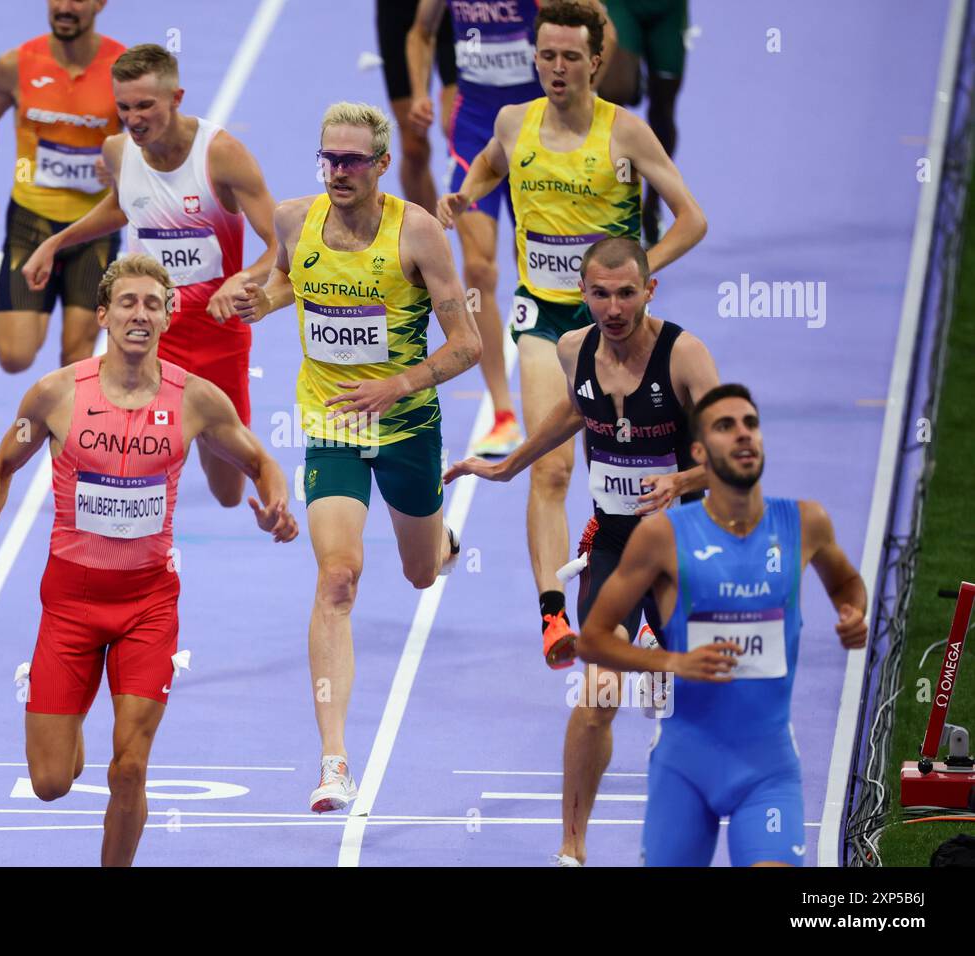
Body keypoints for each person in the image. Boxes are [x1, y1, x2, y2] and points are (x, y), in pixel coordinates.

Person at [0, 254, 296, 867]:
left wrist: (275, 506)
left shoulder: (196, 400)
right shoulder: (57, 395)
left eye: (153, 304)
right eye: (129, 303)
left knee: (131, 766)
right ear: (105, 315)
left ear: (168, 316)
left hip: (149, 606)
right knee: (51, 783)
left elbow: (261, 462)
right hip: (70, 604)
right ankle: (63, 702)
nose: (141, 314)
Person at [437, 0, 705, 660]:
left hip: (615, 319)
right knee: (551, 467)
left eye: (570, 57)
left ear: (597, 61)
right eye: (547, 56)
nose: (557, 69)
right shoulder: (511, 120)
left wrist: (639, 275)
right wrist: (466, 196)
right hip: (543, 314)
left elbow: (691, 219)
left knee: (648, 462)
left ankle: (648, 585)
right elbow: (493, 164)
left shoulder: (627, 132)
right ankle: (554, 615)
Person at [234, 102, 481, 813]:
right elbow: (289, 280)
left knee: (419, 573)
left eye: (350, 160)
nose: (337, 171)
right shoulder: (293, 218)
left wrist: (398, 384)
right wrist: (261, 300)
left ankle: (440, 542)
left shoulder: (420, 234)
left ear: (379, 165)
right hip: (333, 424)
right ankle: (334, 759)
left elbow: (468, 344)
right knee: (338, 578)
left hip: (405, 429)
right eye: (328, 159)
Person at [445, 236, 717, 865]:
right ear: (583, 295)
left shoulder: (685, 357)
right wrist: (511, 465)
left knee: (705, 700)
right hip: (615, 546)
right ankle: (572, 850)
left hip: (680, 546)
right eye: (601, 293)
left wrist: (683, 479)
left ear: (650, 290)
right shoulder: (574, 349)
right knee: (595, 700)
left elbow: (739, 455)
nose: (614, 307)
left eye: (627, 293)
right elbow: (577, 409)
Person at [576, 384, 870, 866]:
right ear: (698, 451)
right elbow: (592, 640)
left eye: (750, 424)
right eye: (725, 426)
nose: (743, 435)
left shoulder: (805, 522)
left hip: (768, 770)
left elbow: (847, 584)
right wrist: (671, 661)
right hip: (684, 769)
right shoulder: (662, 537)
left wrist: (852, 613)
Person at [22, 43, 277, 508]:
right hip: (148, 330)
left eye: (145, 106)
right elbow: (124, 205)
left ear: (176, 97)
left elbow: (285, 245)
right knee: (126, 457)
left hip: (219, 334)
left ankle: (197, 422)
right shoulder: (119, 151)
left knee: (228, 491)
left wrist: (242, 280)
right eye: (123, 108)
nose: (133, 118)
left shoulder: (221, 155)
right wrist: (56, 241)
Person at [408, 0, 616, 459]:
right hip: (474, 127)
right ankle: (503, 410)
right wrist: (424, 91)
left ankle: (580, 375)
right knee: (480, 270)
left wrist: (584, 98)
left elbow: (602, 27)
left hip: (541, 129)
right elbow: (421, 32)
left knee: (543, 259)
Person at [0, 0, 126, 373]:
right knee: (14, 356)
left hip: (94, 227)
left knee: (76, 358)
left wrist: (124, 162)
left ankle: (66, 430)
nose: (65, 7)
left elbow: (152, 134)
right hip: (31, 221)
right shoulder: (15, 65)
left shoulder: (123, 70)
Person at [597, 0, 690, 244]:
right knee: (615, 96)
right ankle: (621, 205)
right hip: (620, 5)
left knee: (664, 106)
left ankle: (653, 205)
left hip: (668, 10)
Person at [376, 0, 459, 214]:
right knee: (414, 148)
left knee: (455, 127)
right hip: (400, 9)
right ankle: (428, 235)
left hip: (453, 12)